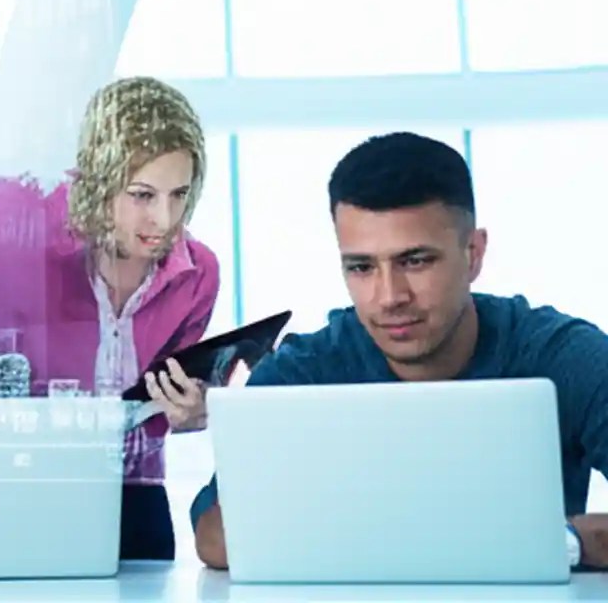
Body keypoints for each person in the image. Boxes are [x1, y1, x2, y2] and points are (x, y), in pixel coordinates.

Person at [191, 132, 608, 570]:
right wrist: (511, 543)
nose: (389, 296)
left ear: (474, 254)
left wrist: (565, 544)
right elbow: (215, 540)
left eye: (415, 261)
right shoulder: (302, 374)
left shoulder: (565, 356)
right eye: (362, 267)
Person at [0, 76, 219, 560]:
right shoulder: (28, 244)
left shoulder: (199, 274)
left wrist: (194, 410)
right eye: (143, 195)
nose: (164, 220)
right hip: (28, 490)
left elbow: (163, 400)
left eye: (179, 195)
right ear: (102, 181)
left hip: (138, 493)